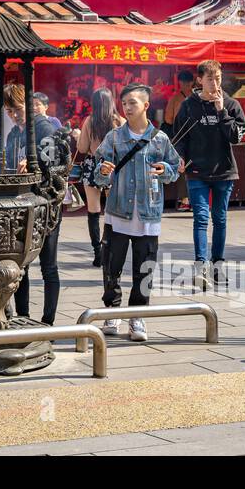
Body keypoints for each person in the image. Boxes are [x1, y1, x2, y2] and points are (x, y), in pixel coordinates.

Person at [93, 83, 181, 341]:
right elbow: (98, 174)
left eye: (132, 102)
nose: (127, 107)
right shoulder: (114, 137)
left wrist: (165, 168)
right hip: (117, 212)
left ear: (146, 105)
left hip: (148, 213)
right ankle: (112, 310)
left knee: (144, 269)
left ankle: (137, 316)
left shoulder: (160, 139)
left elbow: (175, 168)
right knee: (111, 266)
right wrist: (102, 172)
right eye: (125, 103)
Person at [175, 60, 245, 290]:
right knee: (201, 218)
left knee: (221, 219)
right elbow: (179, 137)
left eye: (217, 78)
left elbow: (236, 137)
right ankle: (201, 267)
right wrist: (180, 157)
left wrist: (221, 110)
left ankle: (218, 266)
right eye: (209, 79)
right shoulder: (189, 105)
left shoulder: (231, 104)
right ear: (199, 80)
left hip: (224, 171)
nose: (214, 83)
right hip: (197, 171)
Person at [5, 84, 64, 325]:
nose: (15, 115)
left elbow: (52, 162)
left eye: (17, 109)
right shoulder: (14, 134)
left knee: (48, 265)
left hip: (45, 204)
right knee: (22, 264)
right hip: (22, 204)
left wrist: (32, 162)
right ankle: (23, 316)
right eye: (9, 111)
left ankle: (48, 321)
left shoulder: (43, 127)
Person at [75, 87, 123, 267]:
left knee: (93, 210)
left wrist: (79, 136)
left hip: (93, 165)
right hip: (113, 166)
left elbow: (81, 148)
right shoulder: (119, 121)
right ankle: (108, 248)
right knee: (112, 210)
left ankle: (97, 252)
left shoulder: (90, 121)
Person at [163, 70, 196, 212]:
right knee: (194, 167)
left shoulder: (175, 99)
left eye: (182, 82)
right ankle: (195, 199)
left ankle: (185, 200)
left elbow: (168, 119)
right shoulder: (198, 97)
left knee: (181, 167)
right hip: (196, 138)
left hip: (180, 138)